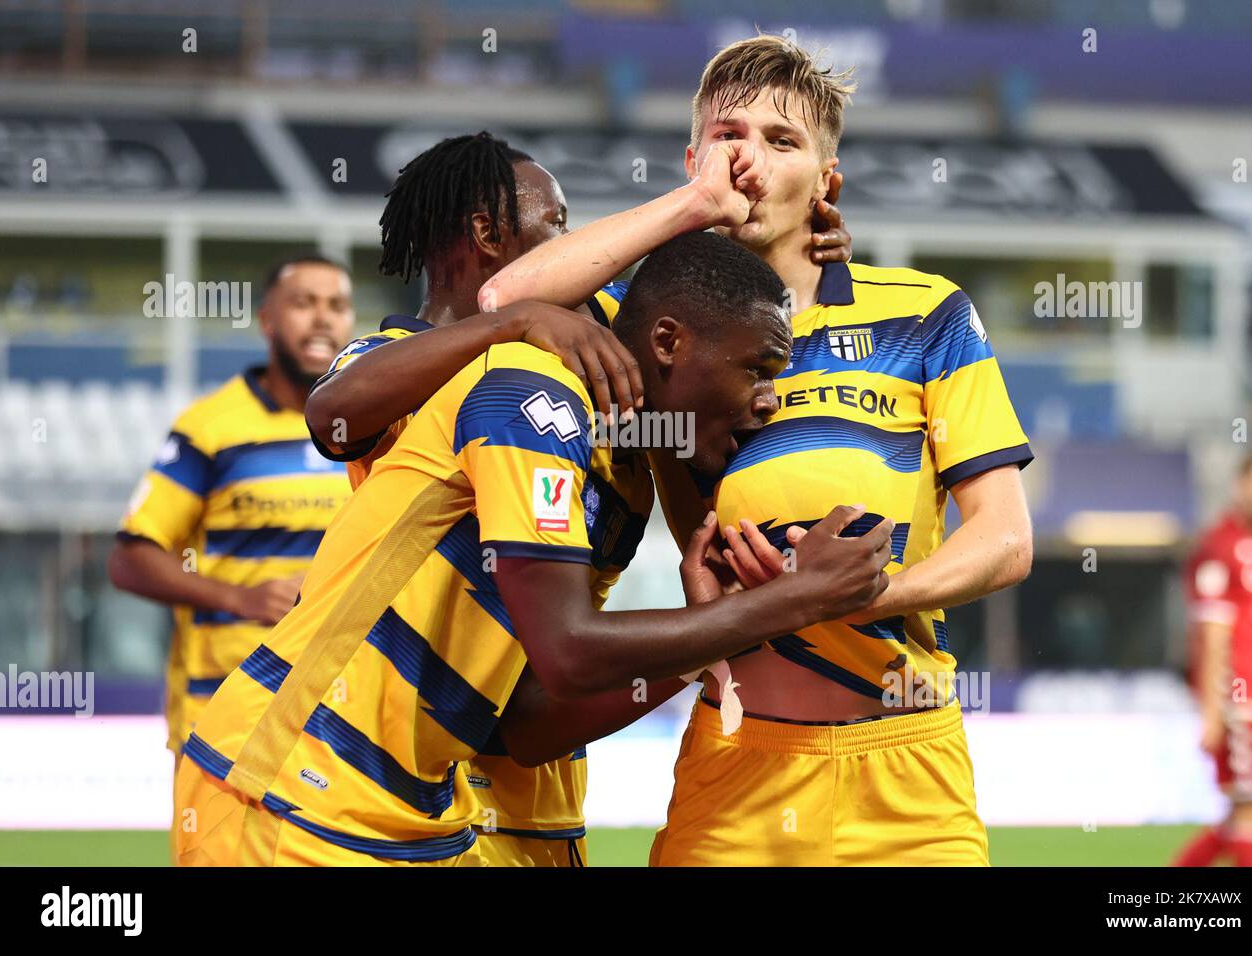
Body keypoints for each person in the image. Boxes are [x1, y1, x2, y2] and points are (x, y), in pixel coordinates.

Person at [483, 34, 1035, 866]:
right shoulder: (650, 322)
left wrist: (857, 595)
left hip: (908, 777)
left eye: (783, 142)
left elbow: (1005, 538)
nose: (749, 161)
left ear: (827, 180)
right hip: (737, 763)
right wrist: (692, 208)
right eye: (727, 136)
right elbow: (502, 298)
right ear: (694, 157)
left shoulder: (926, 314)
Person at [172, 231, 893, 867]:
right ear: (668, 342)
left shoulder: (622, 470)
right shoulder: (527, 393)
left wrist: (711, 634)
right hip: (291, 787)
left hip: (410, 816)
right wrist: (792, 600)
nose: (771, 400)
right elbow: (570, 649)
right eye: (760, 369)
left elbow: (529, 722)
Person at [302, 131, 853, 865]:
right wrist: (512, 318)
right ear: (488, 234)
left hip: (539, 792)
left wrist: (789, 237)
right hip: (414, 794)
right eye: (556, 225)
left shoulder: (596, 368)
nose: (577, 248)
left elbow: (704, 312)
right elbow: (331, 412)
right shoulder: (411, 367)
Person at [109, 256, 355, 758]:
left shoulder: (374, 427)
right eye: (304, 303)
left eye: (336, 305)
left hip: (344, 721)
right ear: (267, 320)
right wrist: (240, 599)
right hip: (223, 719)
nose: (322, 318)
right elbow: (131, 558)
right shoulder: (211, 428)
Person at [1174, 452, 1252, 867]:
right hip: (1242, 698)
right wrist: (1211, 712)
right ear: (1241, 486)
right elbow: (1214, 635)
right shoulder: (1220, 546)